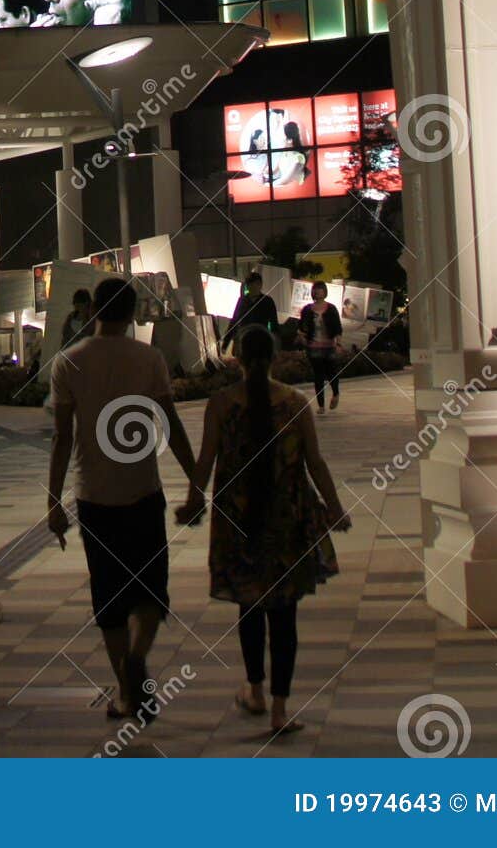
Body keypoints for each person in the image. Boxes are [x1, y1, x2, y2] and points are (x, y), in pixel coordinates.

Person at [177, 326, 351, 736]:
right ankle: (279, 709)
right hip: (287, 520)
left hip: (239, 521)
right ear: (273, 358)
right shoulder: (294, 403)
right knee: (285, 616)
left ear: (237, 358)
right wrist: (336, 509)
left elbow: (205, 460)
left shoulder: (221, 404)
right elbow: (316, 463)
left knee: (250, 608)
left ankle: (254, 688)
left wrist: (192, 500)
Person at [47, 276, 196, 721]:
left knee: (109, 597)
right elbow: (171, 424)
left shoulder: (67, 362)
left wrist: (52, 503)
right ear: (132, 314)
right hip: (143, 491)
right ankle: (138, 656)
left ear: (92, 309)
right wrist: (196, 484)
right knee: (151, 590)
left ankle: (126, 690)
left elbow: (61, 438)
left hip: (94, 497)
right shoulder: (148, 358)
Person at [298, 281, 344, 413]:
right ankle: (321, 405)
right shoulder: (307, 309)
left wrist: (338, 344)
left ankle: (335, 394)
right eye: (316, 289)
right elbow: (301, 327)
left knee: (332, 373)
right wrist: (302, 337)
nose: (318, 292)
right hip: (313, 346)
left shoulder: (331, 309)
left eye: (320, 289)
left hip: (329, 346)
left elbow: (338, 328)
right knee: (318, 376)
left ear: (325, 291)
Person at [219, 270, 279, 354]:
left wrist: (275, 345)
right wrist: (225, 344)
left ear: (260, 285)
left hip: (260, 342)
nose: (251, 287)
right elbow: (234, 322)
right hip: (242, 342)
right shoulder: (242, 300)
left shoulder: (267, 301)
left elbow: (274, 324)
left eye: (254, 284)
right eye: (249, 285)